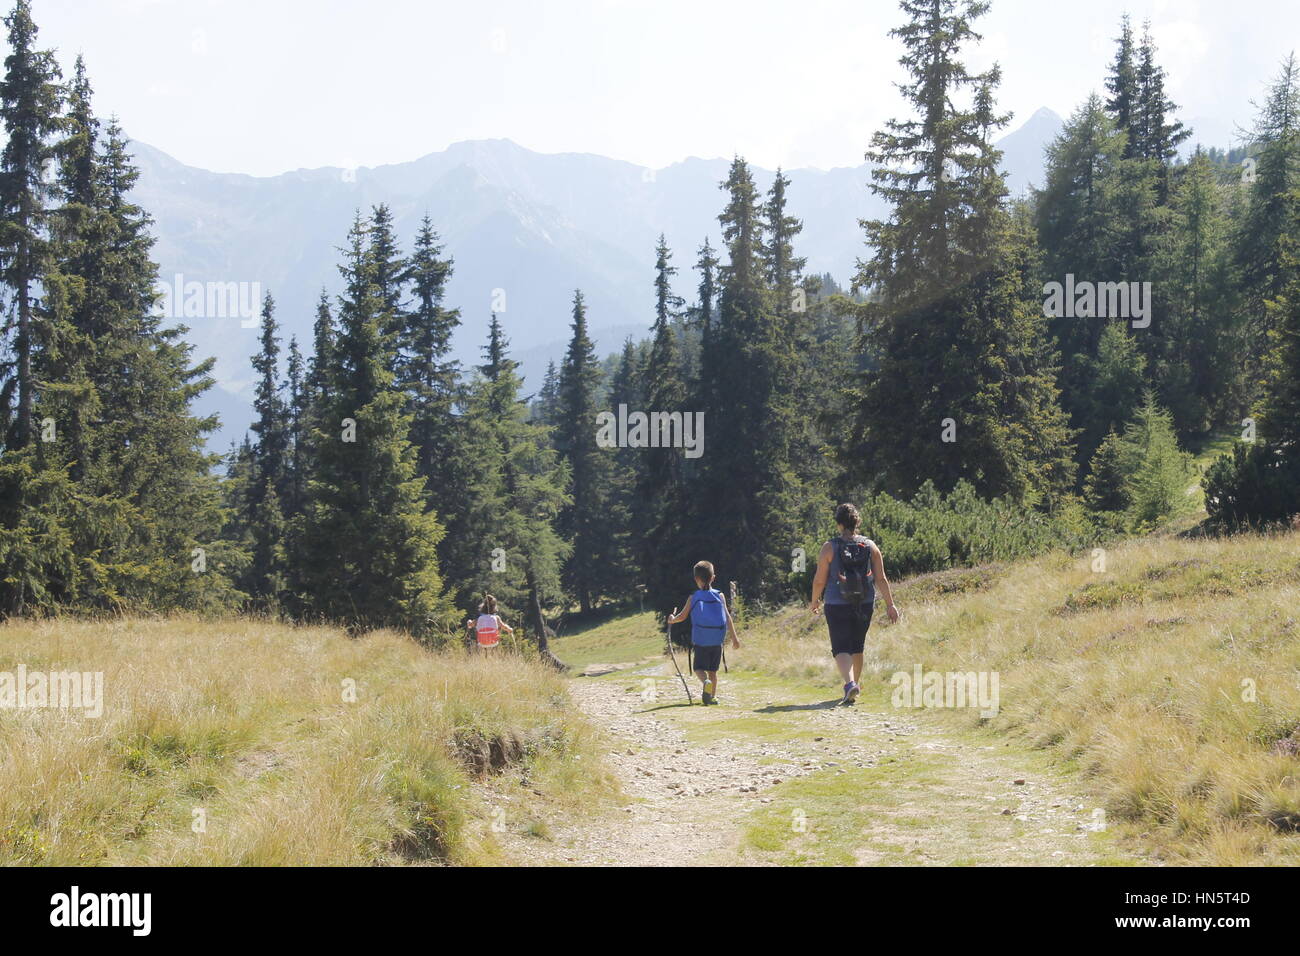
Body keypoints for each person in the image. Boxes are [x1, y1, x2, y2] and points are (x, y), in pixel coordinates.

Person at [809, 503, 899, 704]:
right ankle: (854, 686)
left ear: (839, 524)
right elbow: (881, 578)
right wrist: (890, 604)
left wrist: (814, 600)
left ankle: (850, 684)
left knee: (841, 647)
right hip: (864, 602)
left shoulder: (829, 547)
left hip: (836, 603)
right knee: (857, 646)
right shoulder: (870, 546)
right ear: (857, 522)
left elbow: (819, 580)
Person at [666, 560, 741, 705]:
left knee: (699, 668)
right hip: (717, 640)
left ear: (696, 579)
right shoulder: (720, 596)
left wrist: (672, 620)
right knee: (713, 671)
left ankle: (704, 681)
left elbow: (682, 616)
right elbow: (727, 617)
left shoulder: (693, 597)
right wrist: (735, 638)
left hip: (701, 641)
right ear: (713, 578)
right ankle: (712, 697)